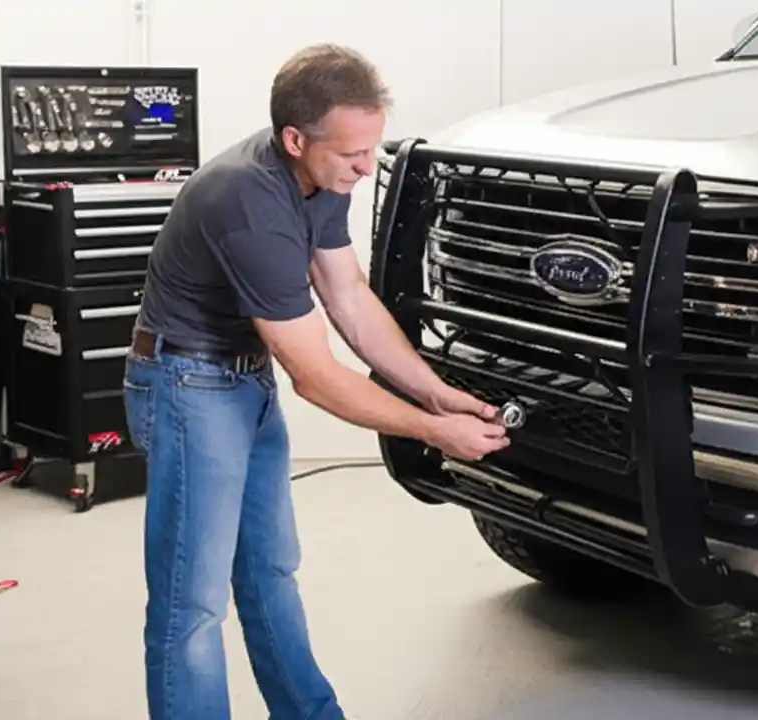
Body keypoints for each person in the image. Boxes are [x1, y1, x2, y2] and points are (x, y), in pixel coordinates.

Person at [123, 44, 509, 720]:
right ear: (295, 138)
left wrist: (434, 390)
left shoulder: (322, 177)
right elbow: (317, 376)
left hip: (244, 380)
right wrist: (433, 430)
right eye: (352, 154)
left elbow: (349, 297)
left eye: (371, 149)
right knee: (193, 604)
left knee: (271, 572)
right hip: (186, 384)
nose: (366, 167)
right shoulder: (248, 201)